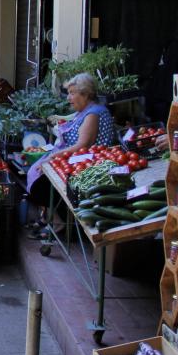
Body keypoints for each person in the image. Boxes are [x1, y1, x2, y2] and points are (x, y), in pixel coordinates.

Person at [27, 73, 117, 236]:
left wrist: (52, 157)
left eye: (72, 93)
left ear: (86, 94)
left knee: (41, 178)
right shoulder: (86, 110)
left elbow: (82, 145)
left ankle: (58, 221)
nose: (68, 98)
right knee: (37, 170)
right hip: (78, 157)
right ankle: (50, 218)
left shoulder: (93, 114)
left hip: (88, 161)